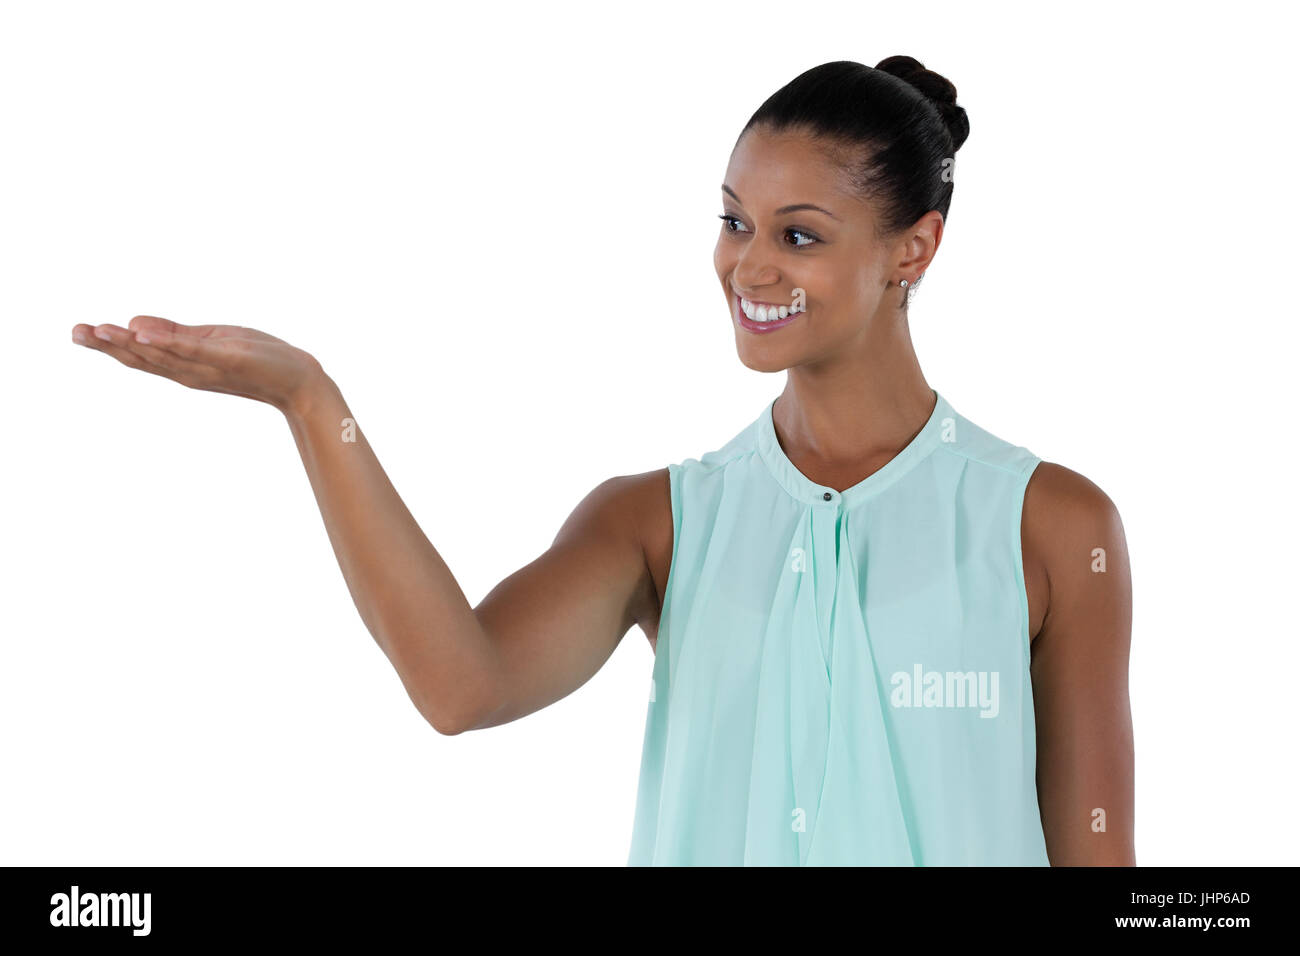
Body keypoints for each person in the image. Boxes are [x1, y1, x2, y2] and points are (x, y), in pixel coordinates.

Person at [71, 56, 1134, 866]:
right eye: (732, 221)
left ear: (914, 247)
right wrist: (312, 403)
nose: (747, 264)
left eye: (798, 235)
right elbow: (462, 683)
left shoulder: (1051, 526)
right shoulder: (658, 521)